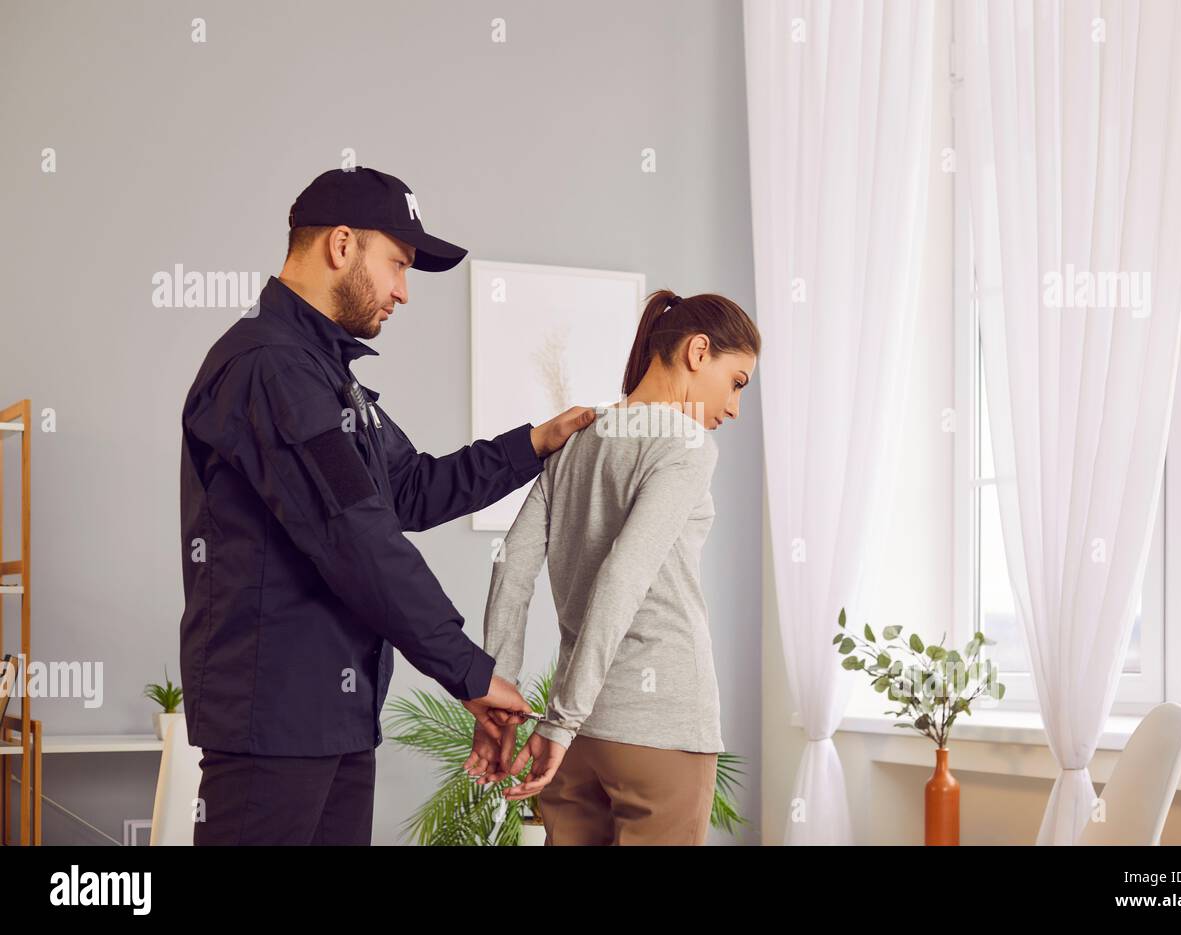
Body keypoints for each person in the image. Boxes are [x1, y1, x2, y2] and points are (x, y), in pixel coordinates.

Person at [178, 166, 594, 844]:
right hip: (275, 720)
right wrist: (467, 668)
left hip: (335, 717)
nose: (403, 291)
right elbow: (356, 535)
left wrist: (535, 444)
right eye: (397, 263)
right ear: (341, 245)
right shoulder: (269, 367)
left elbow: (412, 489)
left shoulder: (329, 379)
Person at [468, 288, 761, 845]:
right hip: (661, 730)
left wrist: (504, 706)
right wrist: (561, 721)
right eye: (737, 382)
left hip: (578, 740)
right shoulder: (687, 444)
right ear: (698, 352)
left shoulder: (577, 438)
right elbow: (623, 576)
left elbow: (511, 569)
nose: (734, 407)